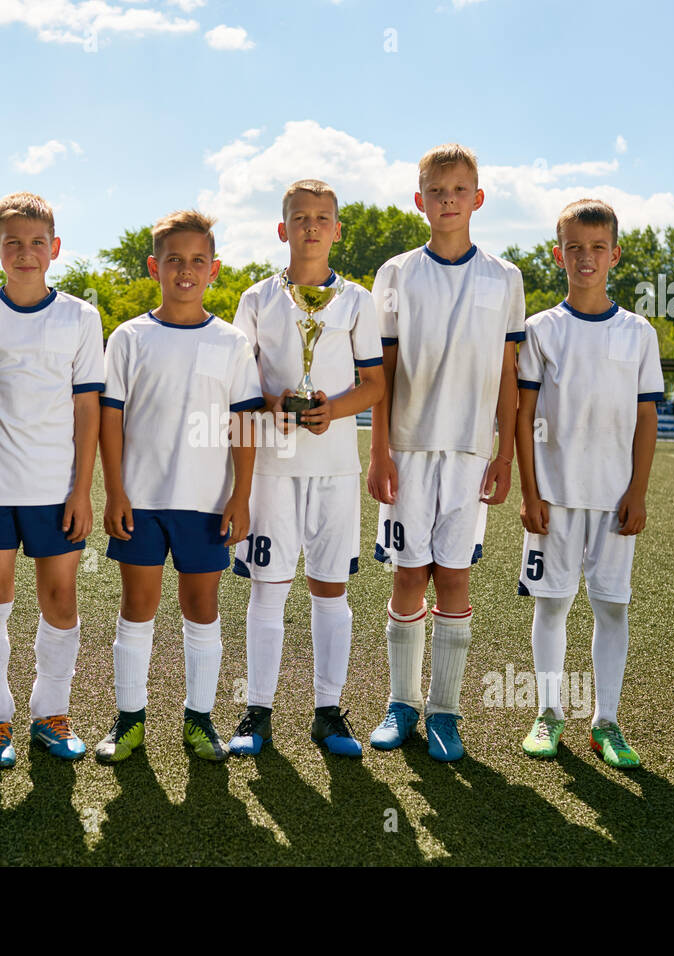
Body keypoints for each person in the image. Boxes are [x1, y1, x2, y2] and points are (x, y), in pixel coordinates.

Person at [366, 143, 524, 762]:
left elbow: (510, 373)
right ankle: (401, 704)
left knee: (454, 576)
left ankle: (444, 713)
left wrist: (505, 452)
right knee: (408, 573)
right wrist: (380, 451)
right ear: (420, 201)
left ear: (478, 198)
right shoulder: (397, 272)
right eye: (437, 191)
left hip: (469, 453)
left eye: (460, 190)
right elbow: (384, 367)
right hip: (407, 447)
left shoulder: (504, 277)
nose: (449, 200)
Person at [96, 210, 264, 763]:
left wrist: (240, 496)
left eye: (197, 261)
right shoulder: (128, 337)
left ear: (213, 269)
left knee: (202, 608)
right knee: (137, 607)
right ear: (154, 267)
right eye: (174, 261)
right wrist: (115, 492)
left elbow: (244, 422)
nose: (185, 271)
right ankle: (129, 721)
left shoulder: (232, 341)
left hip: (207, 502)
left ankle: (199, 721)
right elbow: (111, 419)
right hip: (140, 501)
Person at [227, 179, 384, 758]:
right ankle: (256, 714)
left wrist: (331, 410)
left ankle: (327, 712)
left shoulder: (358, 301)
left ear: (338, 230)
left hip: (336, 469)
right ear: (282, 227)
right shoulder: (257, 299)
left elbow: (376, 383)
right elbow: (241, 383)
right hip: (271, 467)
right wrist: (272, 403)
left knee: (330, 590)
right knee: (268, 591)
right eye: (300, 217)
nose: (311, 226)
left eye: (322, 218)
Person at [515, 198, 661, 769]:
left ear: (615, 255)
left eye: (598, 248)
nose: (586, 258)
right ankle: (548, 713)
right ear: (559, 254)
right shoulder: (540, 330)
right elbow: (524, 416)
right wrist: (530, 492)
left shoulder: (638, 332)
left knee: (613, 609)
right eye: (575, 247)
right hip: (554, 497)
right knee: (551, 606)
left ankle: (606, 722)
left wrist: (638, 492)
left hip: (613, 499)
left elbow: (646, 418)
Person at [0, 192, 103, 766]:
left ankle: (51, 713)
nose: (26, 253)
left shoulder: (80, 314)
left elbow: (88, 407)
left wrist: (82, 489)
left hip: (55, 488)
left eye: (37, 243)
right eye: (13, 243)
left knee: (61, 600)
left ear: (56, 249)